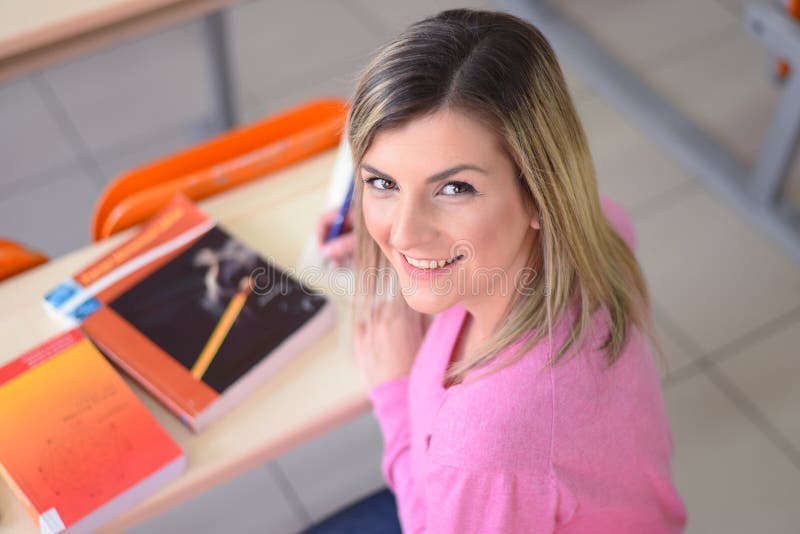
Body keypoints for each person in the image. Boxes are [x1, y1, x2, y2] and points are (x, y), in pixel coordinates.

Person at [309, 8, 687, 533]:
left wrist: (395, 393)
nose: (402, 232)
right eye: (382, 182)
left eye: (455, 188)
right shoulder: (596, 231)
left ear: (539, 191)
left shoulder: (484, 442)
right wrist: (386, 240)